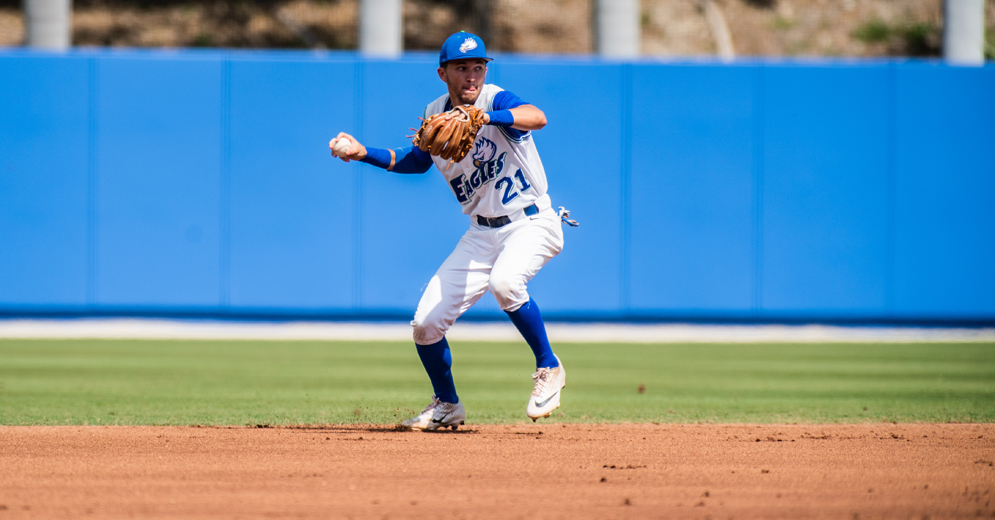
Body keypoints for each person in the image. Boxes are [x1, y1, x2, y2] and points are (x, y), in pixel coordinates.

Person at [329, 31, 575, 431]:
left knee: (507, 281)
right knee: (425, 324)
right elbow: (415, 161)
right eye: (462, 68)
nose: (472, 75)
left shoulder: (495, 100)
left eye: (478, 66)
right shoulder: (435, 112)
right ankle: (446, 404)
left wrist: (487, 117)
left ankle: (549, 366)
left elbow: (537, 117)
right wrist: (362, 153)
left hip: (532, 221)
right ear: (443, 73)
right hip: (482, 234)